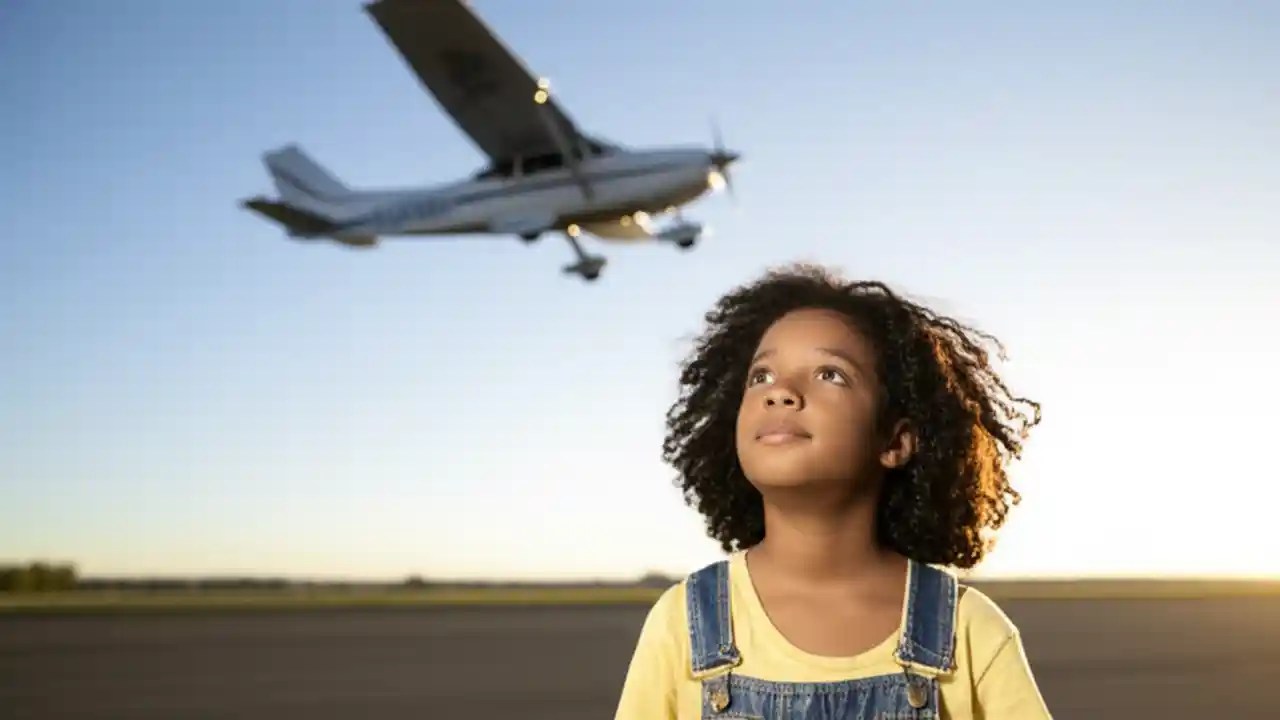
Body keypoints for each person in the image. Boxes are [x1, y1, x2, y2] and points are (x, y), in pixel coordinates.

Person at [614, 263, 1051, 719]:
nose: (780, 391)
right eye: (760, 376)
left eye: (830, 375)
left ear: (895, 442)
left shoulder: (968, 630)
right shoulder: (683, 622)